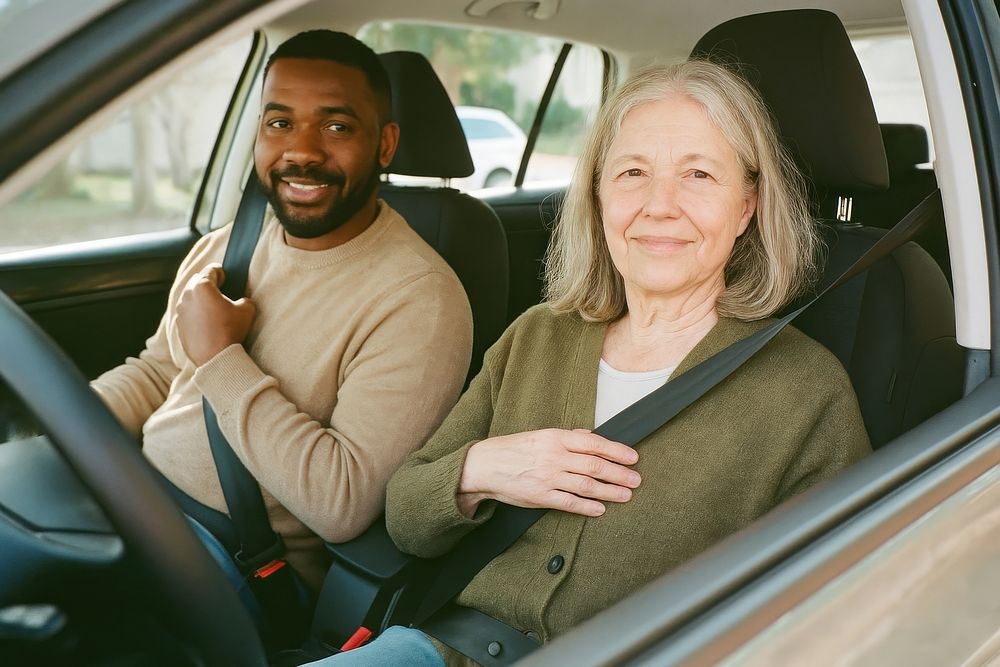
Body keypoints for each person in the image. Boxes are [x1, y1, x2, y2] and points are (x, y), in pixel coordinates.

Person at [306, 59, 872, 665]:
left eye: (699, 175)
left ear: (746, 207)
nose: (660, 205)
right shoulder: (538, 335)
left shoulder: (805, 391)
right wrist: (484, 468)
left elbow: (835, 616)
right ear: (598, 195)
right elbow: (407, 518)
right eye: (633, 172)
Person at [91, 30, 473, 592]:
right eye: (280, 123)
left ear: (385, 145)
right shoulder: (234, 242)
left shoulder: (420, 300)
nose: (302, 151)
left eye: (337, 126)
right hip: (130, 498)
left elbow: (342, 501)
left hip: (235, 564)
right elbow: (157, 372)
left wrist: (222, 356)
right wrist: (65, 428)